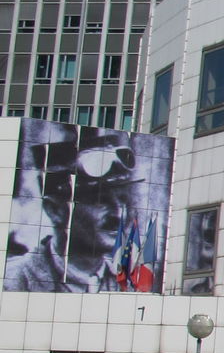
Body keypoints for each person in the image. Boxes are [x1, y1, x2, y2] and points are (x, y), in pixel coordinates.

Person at [5, 124, 143, 293]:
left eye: (123, 200)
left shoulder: (130, 284)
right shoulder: (13, 282)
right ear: (55, 211)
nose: (118, 213)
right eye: (100, 201)